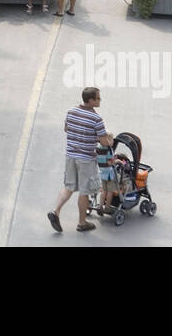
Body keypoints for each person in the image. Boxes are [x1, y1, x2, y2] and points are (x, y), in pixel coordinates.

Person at [47, 87, 112, 234]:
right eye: (98, 98)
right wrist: (108, 139)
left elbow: (66, 129)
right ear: (90, 101)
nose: (100, 100)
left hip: (70, 155)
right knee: (84, 191)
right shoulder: (97, 119)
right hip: (86, 159)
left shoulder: (71, 111)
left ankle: (55, 211)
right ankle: (82, 223)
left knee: (69, 186)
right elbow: (104, 142)